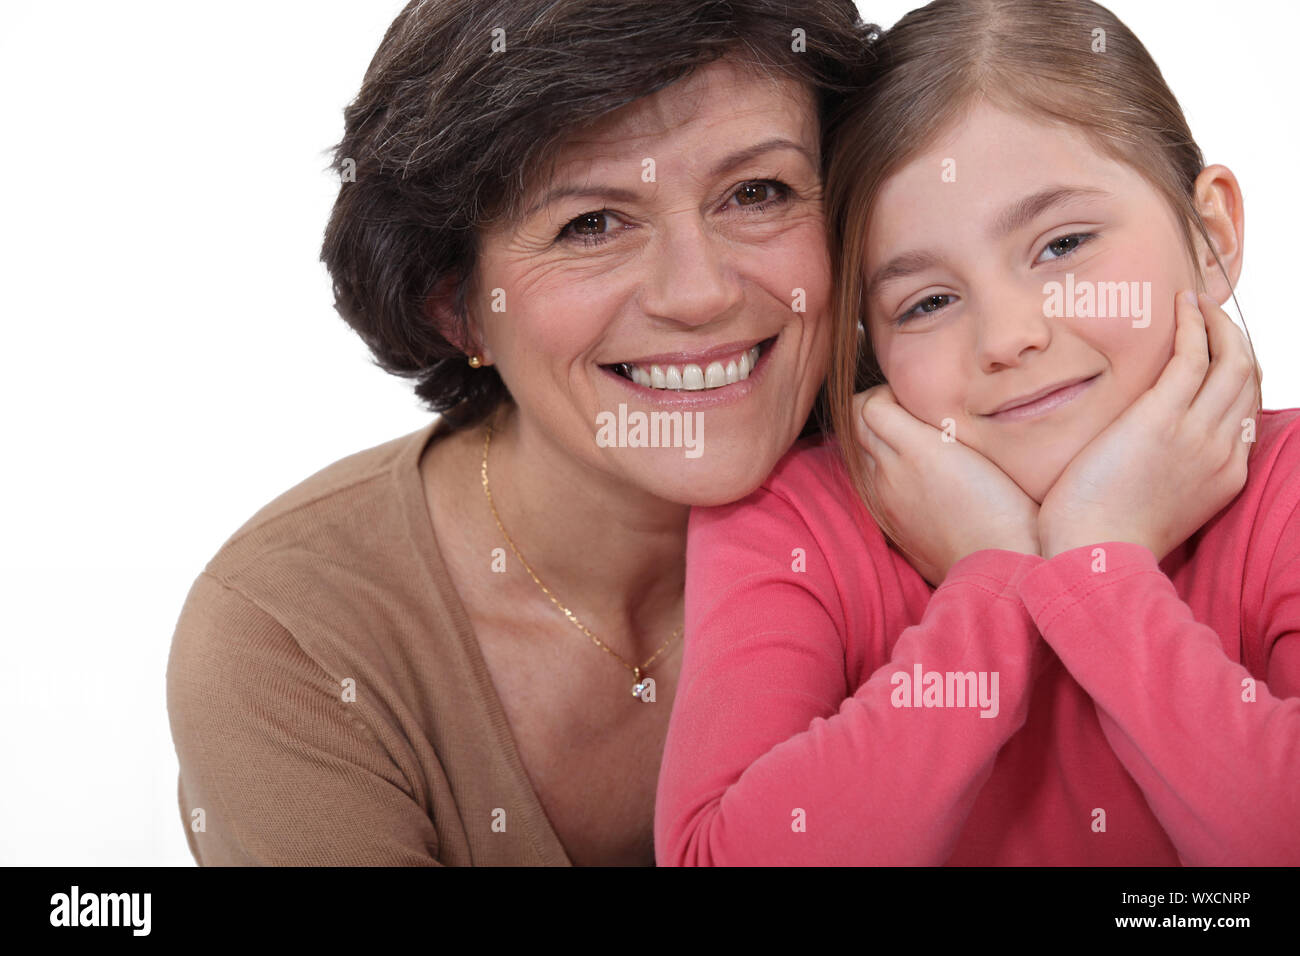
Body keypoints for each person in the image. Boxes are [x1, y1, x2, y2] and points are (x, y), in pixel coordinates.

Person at [164, 0, 877, 866]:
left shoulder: (953, 492)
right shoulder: (294, 642)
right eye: (591, 224)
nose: (700, 294)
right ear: (456, 309)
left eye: (757, 193)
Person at [656, 0, 1298, 865]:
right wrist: (992, 578)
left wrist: (1097, 560)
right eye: (926, 302)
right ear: (867, 338)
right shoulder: (787, 522)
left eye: (1063, 244)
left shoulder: (1286, 493)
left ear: (1211, 234)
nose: (1006, 338)